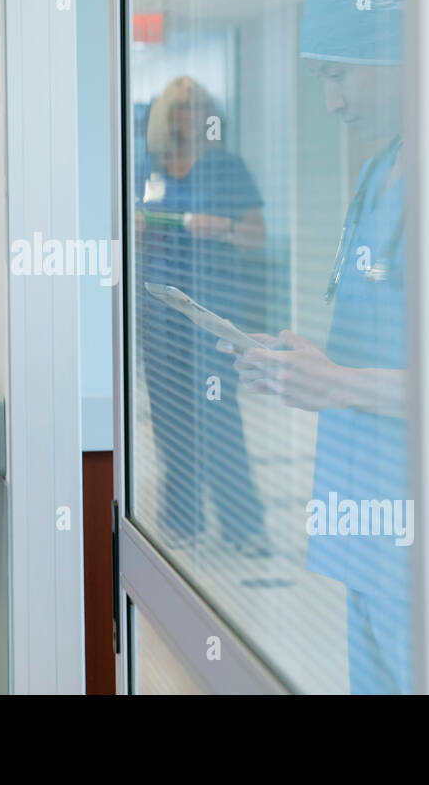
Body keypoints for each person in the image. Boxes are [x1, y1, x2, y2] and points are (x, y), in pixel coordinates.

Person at [225, 0, 412, 693]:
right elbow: (375, 339)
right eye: (321, 81)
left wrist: (335, 380)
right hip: (363, 521)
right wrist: (305, 362)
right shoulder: (378, 173)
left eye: (343, 75)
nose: (332, 102)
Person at [135, 76, 273, 558]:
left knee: (218, 415)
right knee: (170, 417)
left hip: (213, 310)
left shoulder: (226, 168)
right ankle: (181, 521)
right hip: (158, 313)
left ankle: (243, 526)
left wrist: (225, 228)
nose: (188, 117)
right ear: (164, 116)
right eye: (179, 108)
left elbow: (256, 235)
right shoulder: (145, 169)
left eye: (197, 108)